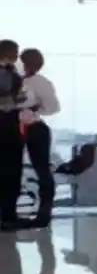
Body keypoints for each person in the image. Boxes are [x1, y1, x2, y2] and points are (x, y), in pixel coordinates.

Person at [18, 49, 59, 227]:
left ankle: (45, 212)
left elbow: (53, 107)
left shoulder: (41, 83)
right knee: (10, 171)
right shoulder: (11, 80)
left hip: (34, 128)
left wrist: (34, 109)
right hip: (11, 128)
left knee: (42, 169)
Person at [0, 41, 25, 231]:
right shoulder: (6, 73)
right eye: (14, 52)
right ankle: (7, 216)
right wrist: (18, 100)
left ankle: (9, 215)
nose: (17, 55)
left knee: (12, 172)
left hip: (11, 127)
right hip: (5, 126)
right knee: (8, 172)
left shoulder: (12, 72)